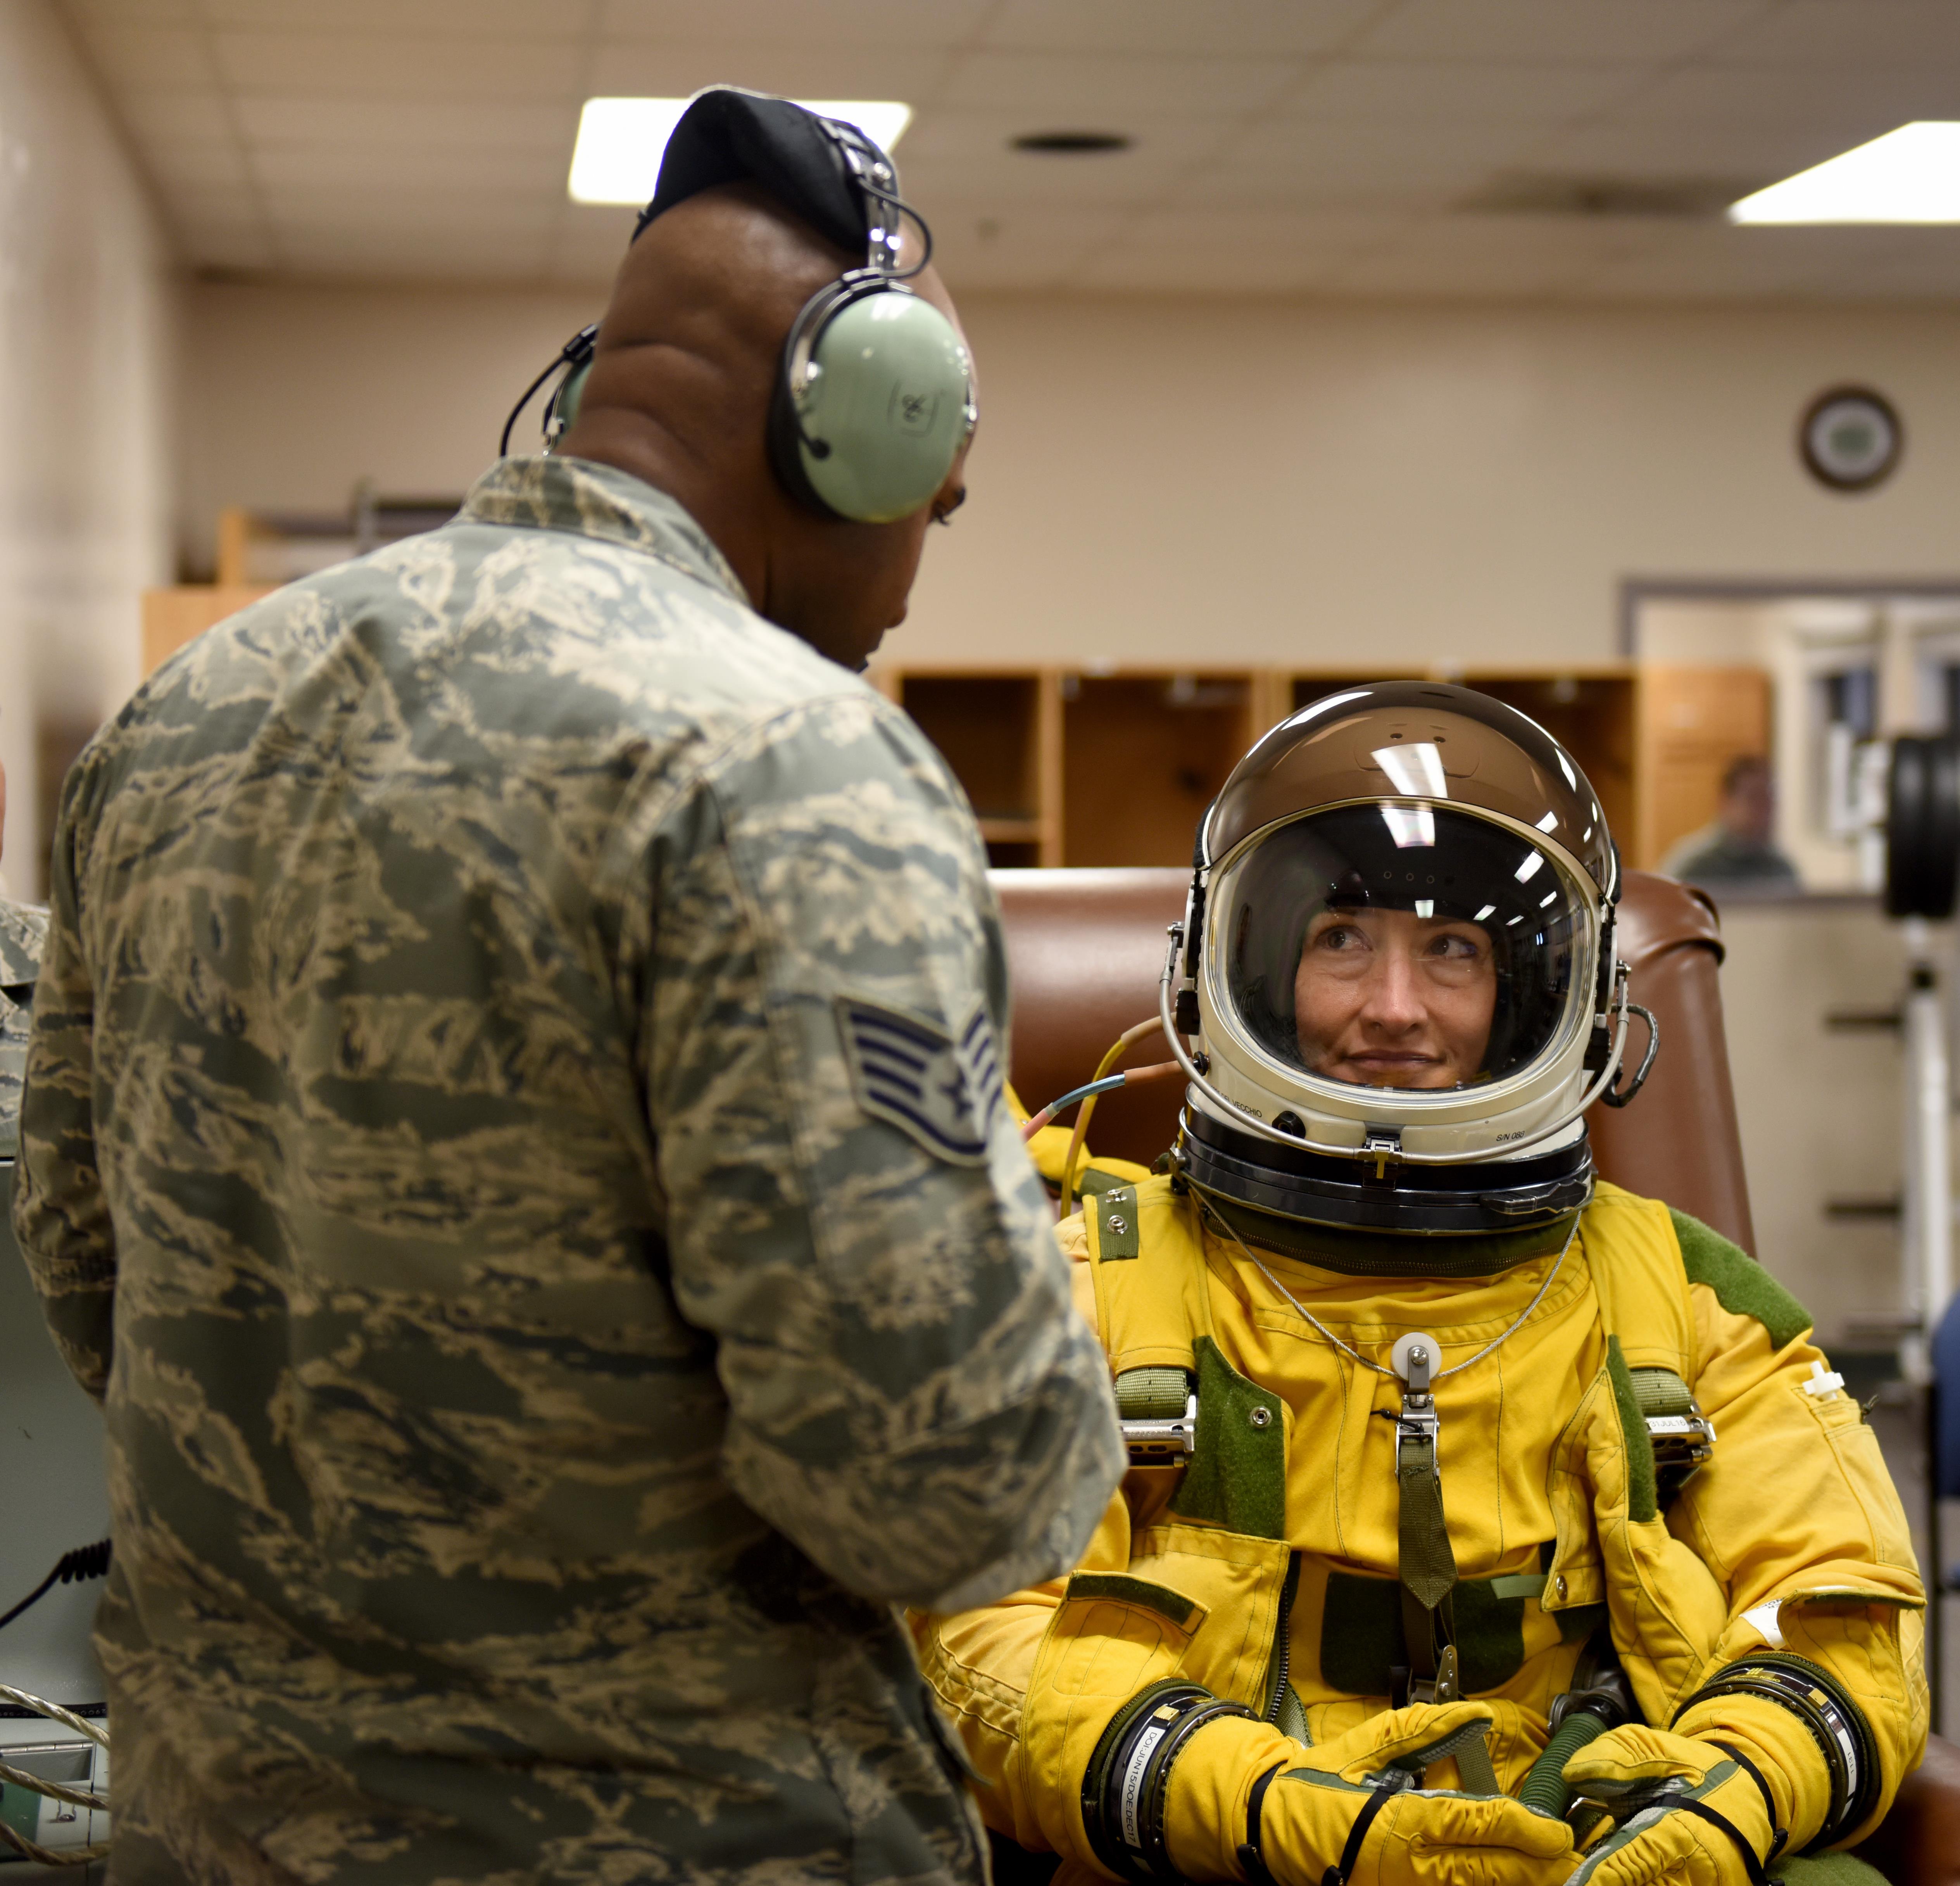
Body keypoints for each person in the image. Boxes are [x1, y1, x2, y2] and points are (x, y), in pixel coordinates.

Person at [13, 90, 1124, 1886]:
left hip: (217, 1827)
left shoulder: (185, 715)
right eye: (938, 495)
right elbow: (946, 1486)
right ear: (847, 430)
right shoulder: (791, 762)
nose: (920, 566)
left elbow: (89, 1271)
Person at [914, 682, 1921, 1886]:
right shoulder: (1095, 1283)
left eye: (1450, 950)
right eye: (1339, 939)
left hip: (1591, 1832)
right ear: (1228, 972)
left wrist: (1718, 1807)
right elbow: (977, 1630)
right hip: (1226, 1849)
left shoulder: (1679, 1293)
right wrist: (1260, 1808)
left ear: (1552, 995)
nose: (1393, 1009)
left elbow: (1838, 1613)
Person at [1660, 756, 1800, 889]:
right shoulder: (1693, 866)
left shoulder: (1781, 869)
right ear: (1726, 802)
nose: (1765, 808)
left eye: (1769, 797)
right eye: (1754, 797)